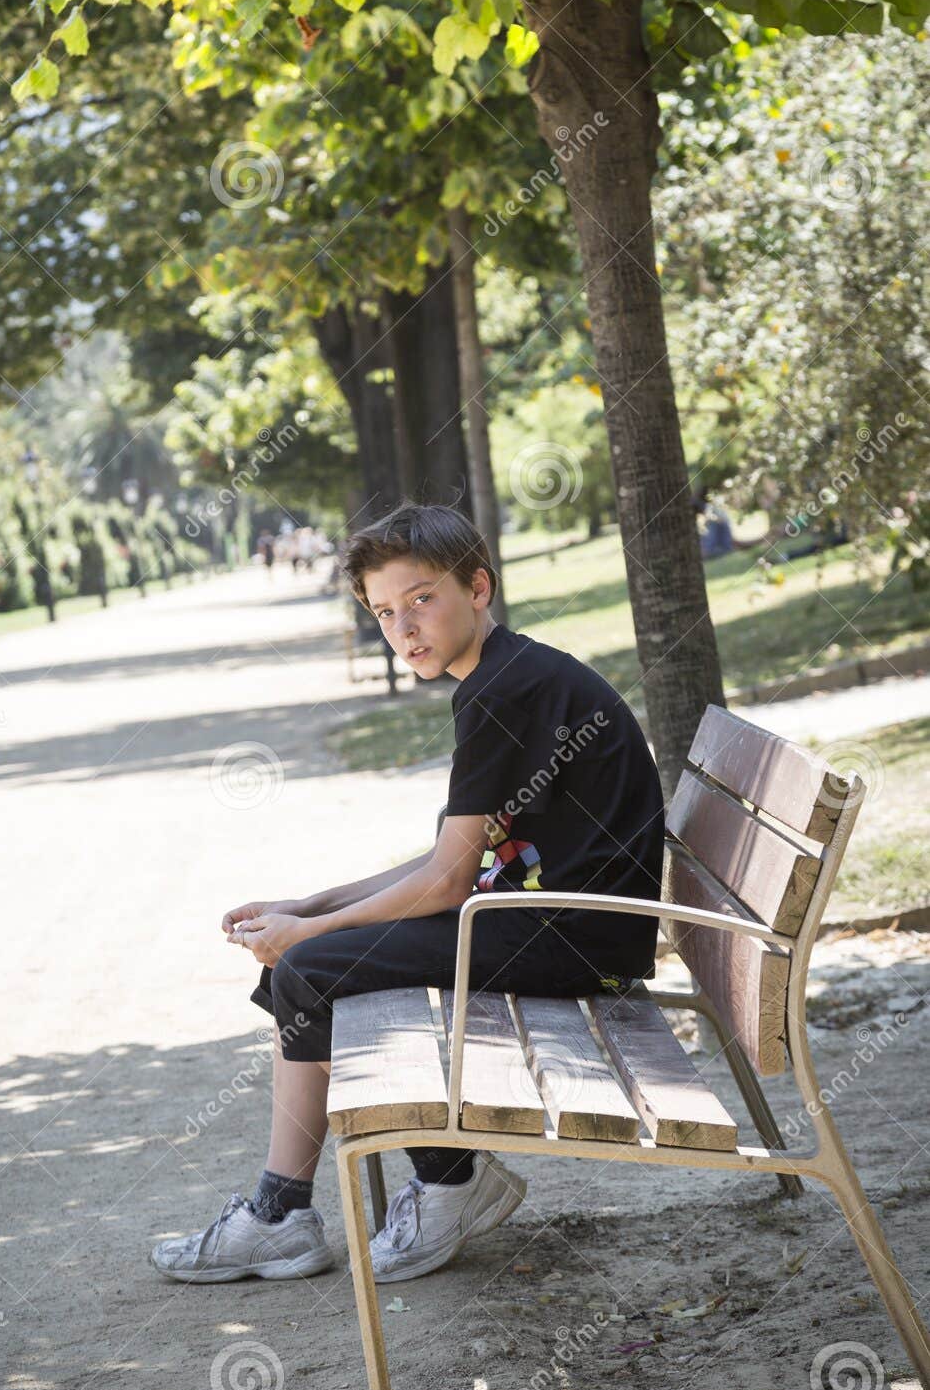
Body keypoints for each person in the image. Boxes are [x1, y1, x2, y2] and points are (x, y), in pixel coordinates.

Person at [150, 500, 665, 1286]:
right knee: (309, 960)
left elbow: (447, 881)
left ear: (479, 587)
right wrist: (309, 907)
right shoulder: (505, 676)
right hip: (544, 922)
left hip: (572, 941)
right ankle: (290, 1208)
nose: (404, 626)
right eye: (384, 611)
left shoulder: (504, 693)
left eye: (421, 599)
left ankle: (412, 1189)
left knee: (311, 970)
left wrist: (304, 935)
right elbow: (446, 862)